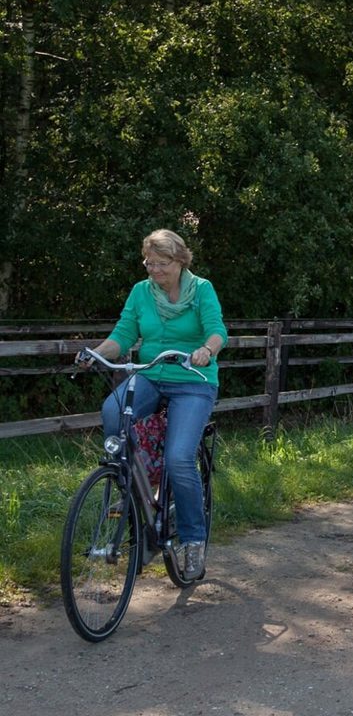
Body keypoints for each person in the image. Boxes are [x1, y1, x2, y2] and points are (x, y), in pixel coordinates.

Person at [80, 229, 227, 580]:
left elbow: (218, 330)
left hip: (193, 380)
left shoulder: (201, 289)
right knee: (112, 411)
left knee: (179, 458)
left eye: (162, 264)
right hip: (150, 373)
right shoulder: (140, 292)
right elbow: (124, 334)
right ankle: (134, 490)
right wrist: (97, 354)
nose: (154, 270)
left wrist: (207, 350)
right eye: (150, 263)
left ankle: (192, 542)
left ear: (180, 261)